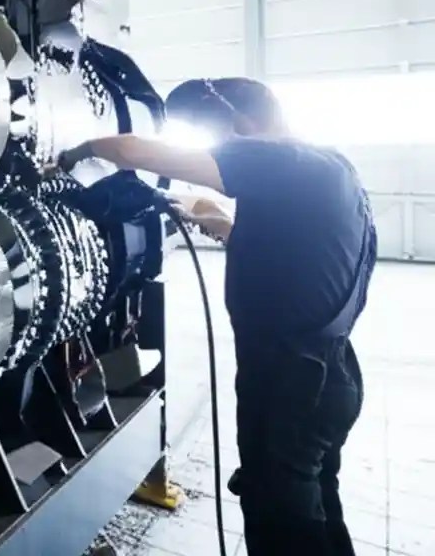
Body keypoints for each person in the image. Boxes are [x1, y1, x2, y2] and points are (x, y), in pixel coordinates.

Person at [55, 77, 375, 556]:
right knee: (315, 504)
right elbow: (308, 257)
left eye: (218, 138)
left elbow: (136, 151)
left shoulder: (278, 158)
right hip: (329, 374)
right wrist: (225, 226)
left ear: (239, 124)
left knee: (280, 516)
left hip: (293, 381)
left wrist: (76, 151)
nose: (220, 150)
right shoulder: (329, 167)